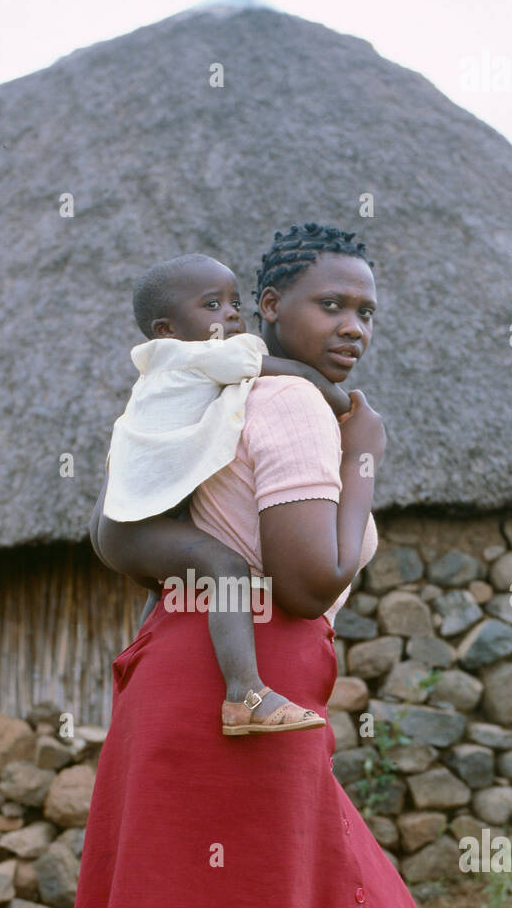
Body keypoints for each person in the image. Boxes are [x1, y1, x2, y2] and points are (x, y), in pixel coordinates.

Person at [69, 223, 482, 908]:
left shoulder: (230, 399)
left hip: (225, 683)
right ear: (268, 310)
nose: (353, 327)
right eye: (330, 305)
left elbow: (122, 531)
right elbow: (307, 579)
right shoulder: (293, 405)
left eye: (366, 311)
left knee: (351, 896)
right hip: (231, 698)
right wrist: (367, 463)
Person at [91, 251, 352, 735]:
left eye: (235, 301)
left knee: (176, 585)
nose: (232, 314)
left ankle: (140, 653)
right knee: (225, 567)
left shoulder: (165, 364)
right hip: (136, 526)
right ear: (167, 329)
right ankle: (245, 694)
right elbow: (306, 377)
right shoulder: (208, 357)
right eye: (212, 304)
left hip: (123, 523)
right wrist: (345, 406)